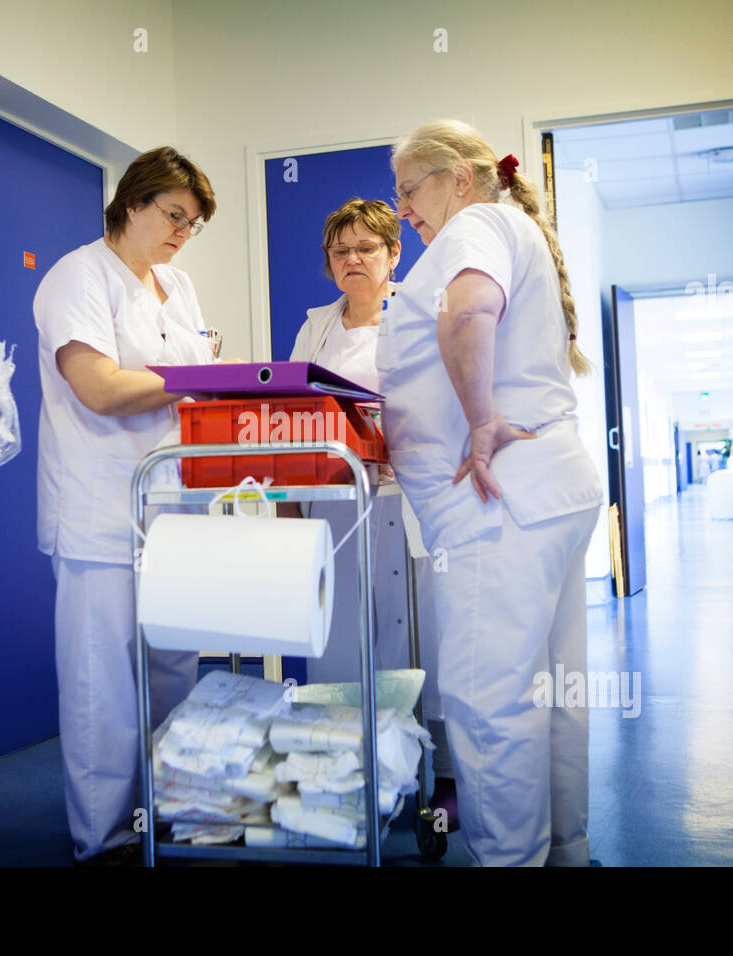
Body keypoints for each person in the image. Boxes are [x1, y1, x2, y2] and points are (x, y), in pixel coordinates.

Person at [379, 119, 603, 866]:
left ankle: (511, 861)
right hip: (547, 495)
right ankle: (566, 850)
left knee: (491, 703)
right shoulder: (509, 226)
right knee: (553, 693)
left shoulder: (474, 225)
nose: (402, 208)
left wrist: (478, 424)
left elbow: (469, 310)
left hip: (496, 503)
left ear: (460, 179)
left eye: (410, 189)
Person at [34, 147, 221, 863]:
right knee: (102, 683)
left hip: (173, 506)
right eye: (174, 215)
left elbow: (194, 381)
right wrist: (197, 373)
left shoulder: (177, 285)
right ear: (133, 202)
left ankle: (170, 810)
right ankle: (104, 837)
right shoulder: (77, 277)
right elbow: (102, 388)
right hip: (99, 508)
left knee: (174, 670)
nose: (181, 232)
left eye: (193, 223)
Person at [287, 199, 459, 825]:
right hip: (335, 505)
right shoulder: (316, 328)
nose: (353, 259)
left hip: (405, 502)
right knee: (346, 638)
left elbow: (442, 401)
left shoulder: (419, 314)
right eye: (340, 250)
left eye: (366, 248)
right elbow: (298, 411)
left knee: (418, 636)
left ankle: (439, 776)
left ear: (394, 254)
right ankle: (350, 769)